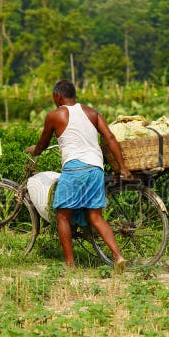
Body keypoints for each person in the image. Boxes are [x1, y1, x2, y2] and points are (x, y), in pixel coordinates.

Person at [26, 79, 132, 271]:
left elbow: (42, 145)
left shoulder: (55, 115)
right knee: (96, 217)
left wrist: (35, 150)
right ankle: (117, 256)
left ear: (58, 96)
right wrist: (122, 168)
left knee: (62, 216)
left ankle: (70, 264)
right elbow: (110, 138)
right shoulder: (92, 113)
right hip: (96, 168)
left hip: (75, 169)